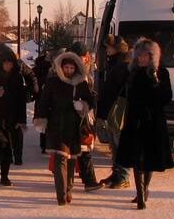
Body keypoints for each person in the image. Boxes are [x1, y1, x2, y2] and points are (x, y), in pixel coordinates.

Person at [115, 38, 174, 210]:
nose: (142, 59)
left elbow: (167, 97)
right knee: (137, 159)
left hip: (153, 122)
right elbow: (126, 94)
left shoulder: (161, 73)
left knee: (150, 159)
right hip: (135, 122)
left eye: (145, 55)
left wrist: (156, 83)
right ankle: (140, 197)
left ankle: (145, 188)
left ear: (152, 56)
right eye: (139, 55)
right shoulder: (132, 72)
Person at [33, 51, 95, 206]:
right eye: (66, 67)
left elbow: (90, 101)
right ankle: (61, 195)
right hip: (57, 124)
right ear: (61, 67)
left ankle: (68, 190)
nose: (68, 70)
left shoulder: (81, 83)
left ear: (76, 68)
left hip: (74, 126)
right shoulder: (53, 82)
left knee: (72, 160)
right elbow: (44, 101)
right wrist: (41, 119)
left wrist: (83, 106)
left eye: (71, 68)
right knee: (61, 159)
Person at [0, 43, 38, 185]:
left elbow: (21, 99)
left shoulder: (17, 76)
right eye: (5, 63)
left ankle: (5, 176)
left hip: (12, 117)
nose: (8, 65)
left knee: (7, 147)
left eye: (10, 63)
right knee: (0, 144)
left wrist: (21, 118)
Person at [96, 35, 132, 189]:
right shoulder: (115, 62)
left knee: (120, 143)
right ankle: (116, 173)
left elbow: (115, 88)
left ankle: (123, 175)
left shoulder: (123, 64)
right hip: (111, 107)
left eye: (108, 47)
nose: (107, 51)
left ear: (115, 48)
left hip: (118, 108)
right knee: (113, 144)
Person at [68, 41, 103, 192]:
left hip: (84, 115)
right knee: (83, 148)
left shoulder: (85, 71)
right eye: (83, 56)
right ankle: (89, 180)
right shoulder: (75, 73)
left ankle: (82, 178)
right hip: (77, 116)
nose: (86, 58)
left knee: (81, 148)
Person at [32, 49, 52, 153]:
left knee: (43, 120)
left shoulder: (37, 67)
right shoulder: (52, 68)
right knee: (49, 120)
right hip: (47, 97)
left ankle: (43, 145)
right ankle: (47, 145)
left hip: (41, 97)